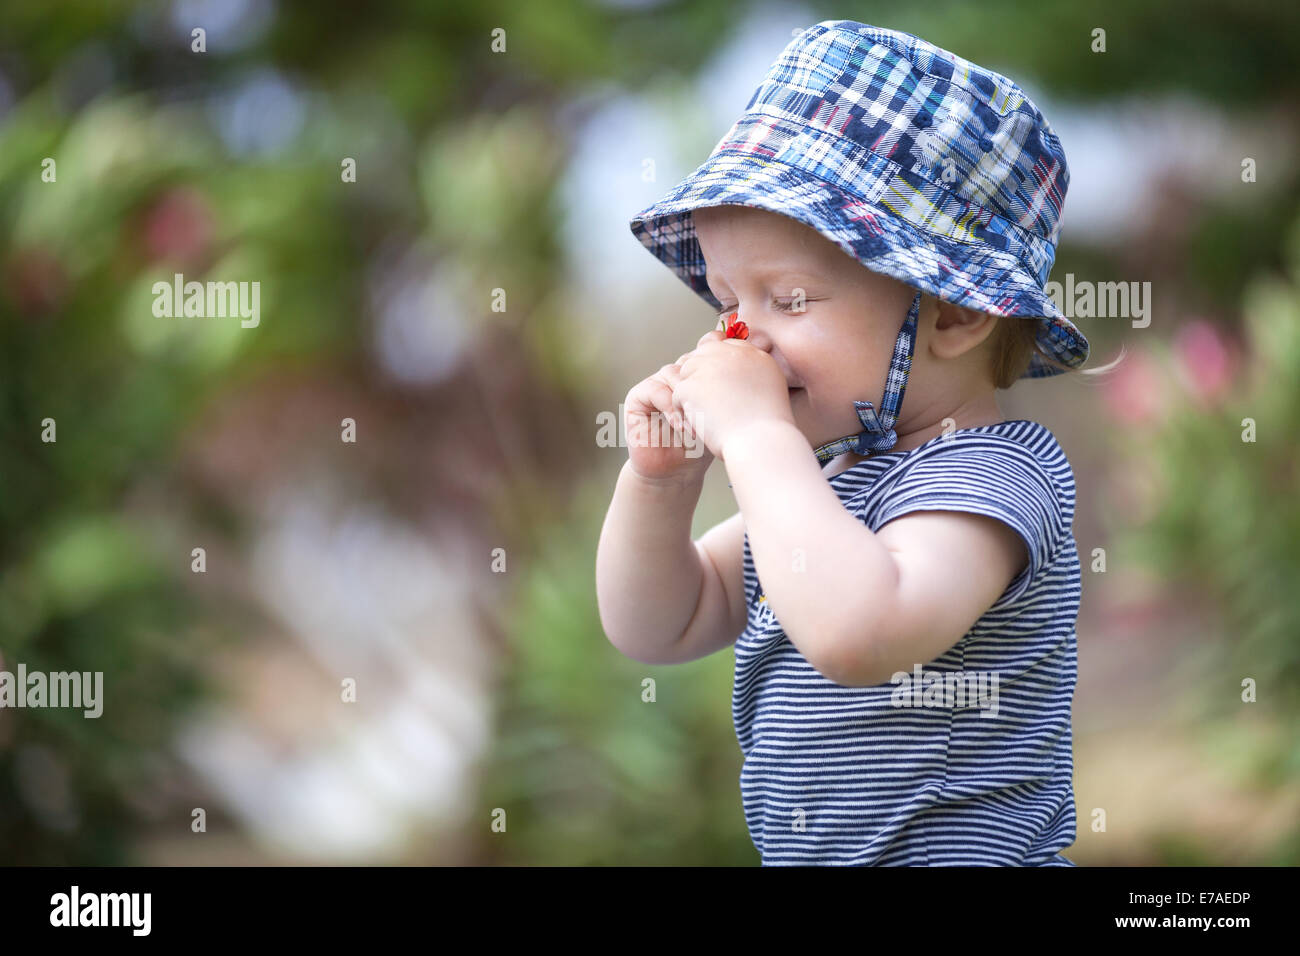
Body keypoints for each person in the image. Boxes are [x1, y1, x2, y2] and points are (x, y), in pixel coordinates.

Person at [597, 20, 1098, 865]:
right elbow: (660, 624)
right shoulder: (822, 489)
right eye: (728, 300)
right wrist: (659, 484)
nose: (739, 338)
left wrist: (757, 435)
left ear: (957, 312)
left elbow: (861, 629)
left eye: (789, 299)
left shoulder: (998, 475)